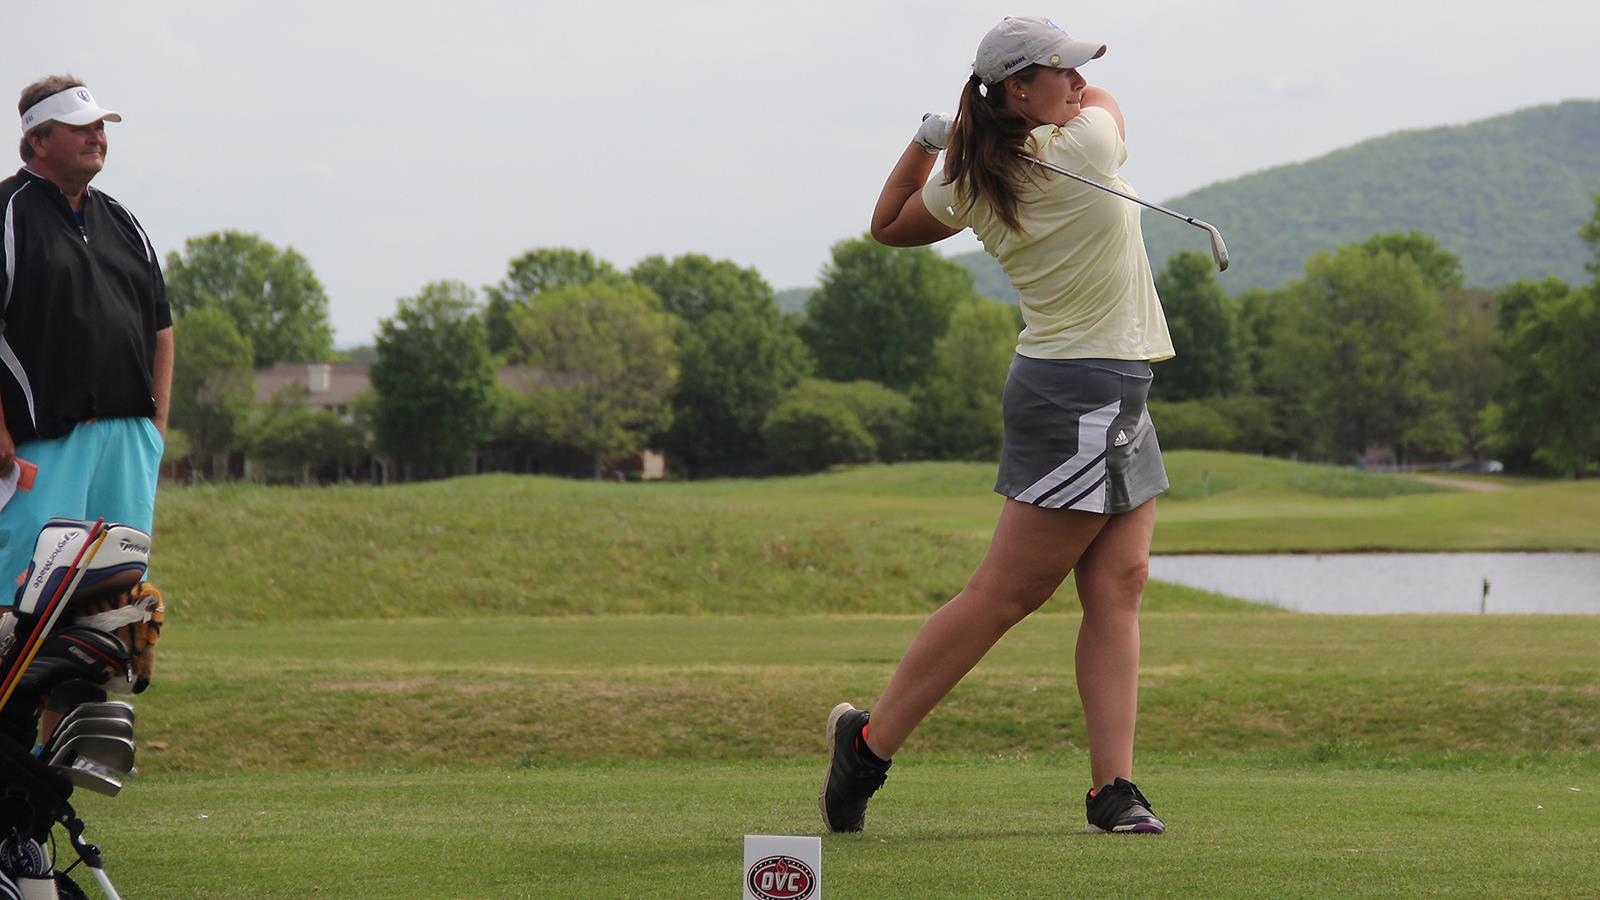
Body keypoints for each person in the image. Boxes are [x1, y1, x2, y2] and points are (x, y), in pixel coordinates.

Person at [820, 17, 1175, 836]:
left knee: (1119, 585)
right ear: (1019, 90)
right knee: (1005, 595)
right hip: (1078, 392)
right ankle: (865, 749)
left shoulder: (971, 180)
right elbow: (1111, 105)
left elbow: (889, 222)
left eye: (1079, 73)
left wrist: (929, 140)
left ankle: (1113, 790)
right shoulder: (1080, 146)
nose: (1081, 85)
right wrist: (1002, 125)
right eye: (1063, 73)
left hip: (1115, 385)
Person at [0, 75, 172, 598]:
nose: (96, 136)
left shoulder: (124, 221)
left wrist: (156, 427)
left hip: (128, 441)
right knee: (25, 596)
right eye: (80, 127)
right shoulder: (8, 212)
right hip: (45, 442)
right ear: (38, 139)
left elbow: (161, 330)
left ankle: (84, 684)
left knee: (114, 598)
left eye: (100, 126)